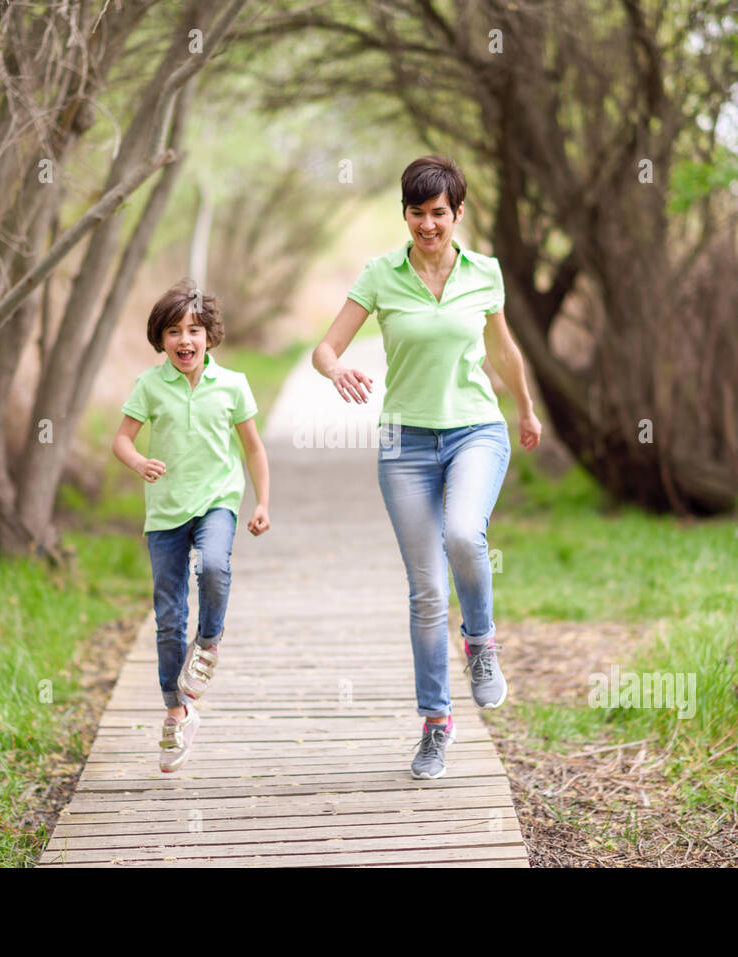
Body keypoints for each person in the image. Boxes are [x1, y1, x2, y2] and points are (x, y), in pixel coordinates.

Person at [312, 154, 542, 780]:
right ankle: (436, 726)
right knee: (426, 592)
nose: (427, 225)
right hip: (404, 446)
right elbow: (324, 348)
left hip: (475, 431)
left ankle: (482, 642)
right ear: (406, 215)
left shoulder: (485, 273)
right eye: (417, 214)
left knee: (465, 536)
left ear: (457, 213)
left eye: (438, 213)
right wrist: (337, 370)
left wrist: (523, 410)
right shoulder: (381, 275)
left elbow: (504, 350)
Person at [113, 280, 271, 773]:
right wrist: (139, 462)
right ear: (160, 339)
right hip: (164, 513)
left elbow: (253, 449)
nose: (185, 340)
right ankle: (177, 713)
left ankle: (208, 644)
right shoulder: (148, 385)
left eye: (194, 330)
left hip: (217, 501)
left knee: (214, 569)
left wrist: (262, 501)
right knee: (167, 617)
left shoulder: (233, 385)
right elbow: (122, 440)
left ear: (210, 336)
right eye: (174, 331)